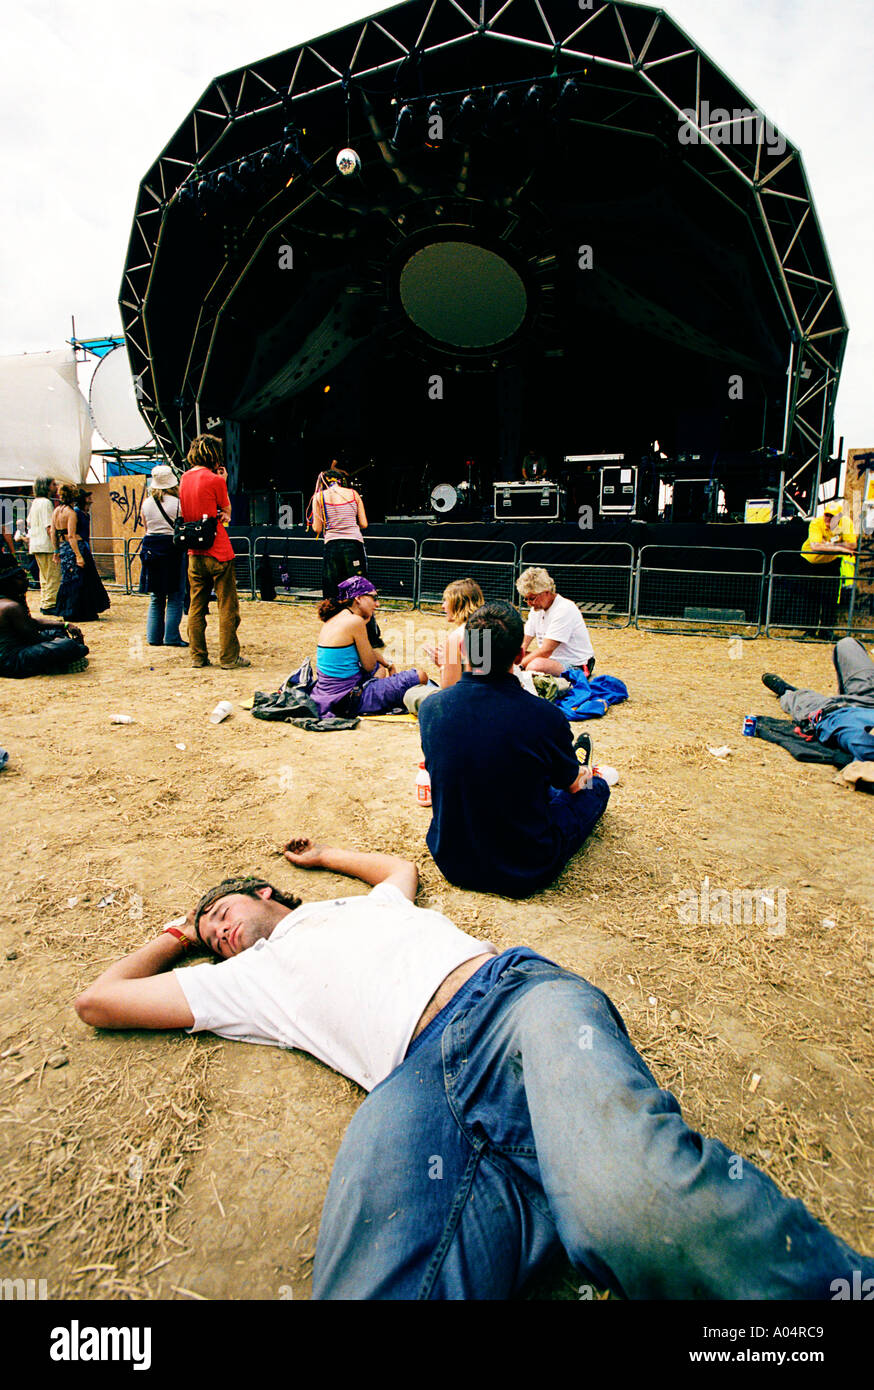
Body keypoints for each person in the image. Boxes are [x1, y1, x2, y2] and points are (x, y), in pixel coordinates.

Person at [73, 836, 874, 1300]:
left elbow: (397, 871)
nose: (218, 930)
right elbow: (99, 1001)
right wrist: (176, 935)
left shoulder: (354, 907)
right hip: (417, 1089)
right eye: (207, 930)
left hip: (511, 1001)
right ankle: (548, 1177)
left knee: (631, 1207)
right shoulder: (237, 983)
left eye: (221, 911)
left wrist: (323, 854)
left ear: (262, 891)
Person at [418, 600, 609, 897]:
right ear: (520, 655)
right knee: (594, 789)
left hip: (453, 860)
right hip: (525, 866)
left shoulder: (432, 708)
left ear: (463, 651)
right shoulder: (543, 716)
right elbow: (574, 787)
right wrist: (586, 775)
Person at [179, 434, 249, 670]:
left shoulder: (184, 479)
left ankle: (198, 656)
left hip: (194, 551)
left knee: (196, 606)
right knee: (227, 606)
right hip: (218, 550)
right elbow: (226, 510)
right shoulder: (215, 479)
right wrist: (224, 481)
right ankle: (229, 658)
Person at [310, 576, 426, 718]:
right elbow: (369, 665)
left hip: (327, 694)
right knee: (420, 675)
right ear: (358, 598)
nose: (377, 604)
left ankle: (383, 693)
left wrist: (388, 664)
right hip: (348, 699)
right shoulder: (355, 621)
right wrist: (363, 625)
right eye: (374, 597)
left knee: (381, 670)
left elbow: (367, 657)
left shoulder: (337, 617)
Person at [762, 637, 874, 762]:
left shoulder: (863, 745)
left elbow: (863, 750)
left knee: (802, 699)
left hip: (837, 711)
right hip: (869, 698)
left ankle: (790, 693)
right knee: (847, 644)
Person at [309, 464, 381, 647]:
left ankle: (335, 634)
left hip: (332, 546)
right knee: (361, 590)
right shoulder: (354, 494)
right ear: (341, 480)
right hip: (353, 545)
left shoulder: (318, 497)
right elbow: (363, 523)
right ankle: (370, 636)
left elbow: (317, 528)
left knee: (333, 592)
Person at [0, 555, 88, 677]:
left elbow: (31, 622)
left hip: (12, 653)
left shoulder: (8, 602)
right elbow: (33, 638)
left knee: (56, 630)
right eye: (21, 578)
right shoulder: (11, 607)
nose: (27, 580)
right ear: (8, 583)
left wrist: (64, 625)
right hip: (11, 661)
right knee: (68, 645)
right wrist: (61, 643)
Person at [139, 464, 188, 647]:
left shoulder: (146, 503)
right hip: (172, 548)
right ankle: (171, 637)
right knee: (175, 596)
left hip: (151, 547)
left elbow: (146, 527)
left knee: (156, 597)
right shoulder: (178, 503)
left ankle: (153, 638)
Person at [515, 566, 595, 677]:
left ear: (546, 592)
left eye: (532, 598)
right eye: (526, 599)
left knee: (536, 665)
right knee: (510, 656)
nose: (529, 603)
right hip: (552, 659)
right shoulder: (536, 610)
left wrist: (518, 667)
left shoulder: (564, 608)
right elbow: (524, 643)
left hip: (576, 664)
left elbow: (546, 650)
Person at [52, 484, 110, 623]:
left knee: (68, 579)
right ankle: (80, 612)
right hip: (75, 547)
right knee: (81, 580)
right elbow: (72, 535)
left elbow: (53, 532)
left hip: (64, 547)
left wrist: (56, 551)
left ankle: (69, 610)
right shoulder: (71, 513)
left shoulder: (56, 511)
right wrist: (78, 555)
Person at [800, 499, 857, 636]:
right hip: (811, 562)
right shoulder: (816, 523)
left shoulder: (846, 523)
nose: (828, 518)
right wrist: (838, 547)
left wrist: (827, 546)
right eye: (826, 515)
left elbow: (852, 546)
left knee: (830, 597)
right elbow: (815, 546)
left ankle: (826, 630)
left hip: (831, 562)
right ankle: (810, 630)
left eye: (832, 516)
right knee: (811, 597)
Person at [26, 477, 60, 614]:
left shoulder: (35, 502)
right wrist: (56, 546)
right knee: (53, 576)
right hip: (46, 545)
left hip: (35, 544)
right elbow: (49, 527)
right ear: (46, 486)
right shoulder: (46, 503)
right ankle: (50, 604)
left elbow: (29, 522)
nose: (55, 486)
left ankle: (45, 601)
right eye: (53, 484)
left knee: (44, 576)